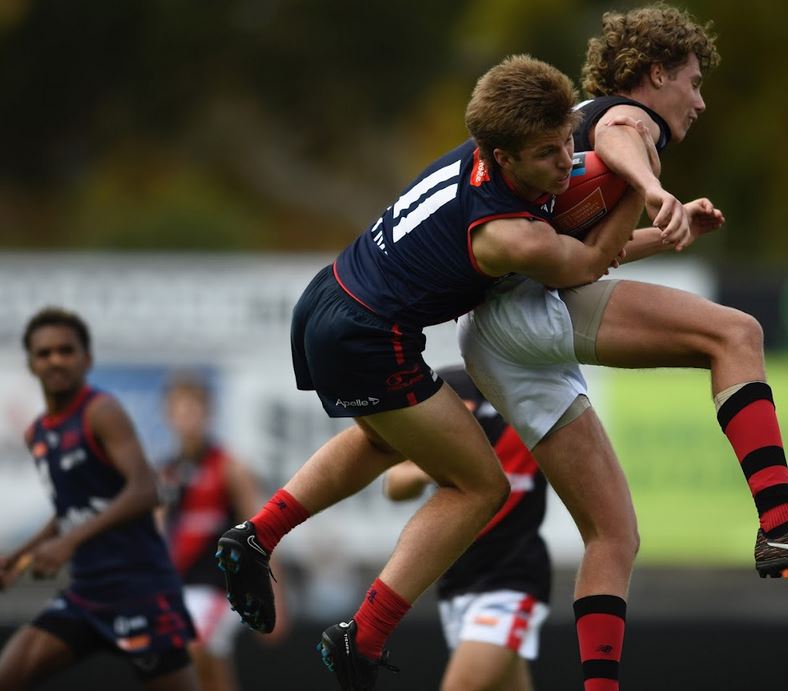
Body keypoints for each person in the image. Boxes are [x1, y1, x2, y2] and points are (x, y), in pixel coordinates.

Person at [456, 5, 788, 689]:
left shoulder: (577, 134)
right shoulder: (625, 118)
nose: (699, 98)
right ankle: (782, 522)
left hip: (492, 330)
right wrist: (654, 185)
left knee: (613, 535)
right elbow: (623, 132)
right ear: (654, 73)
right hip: (522, 312)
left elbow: (588, 255)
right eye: (690, 81)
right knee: (736, 332)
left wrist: (667, 226)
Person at [214, 55, 653, 691]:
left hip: (329, 298)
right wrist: (639, 190)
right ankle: (362, 636)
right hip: (367, 335)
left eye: (566, 143)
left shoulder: (492, 140)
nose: (565, 162)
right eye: (546, 154)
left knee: (382, 438)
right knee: (480, 488)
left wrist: (661, 227)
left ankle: (256, 536)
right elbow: (583, 264)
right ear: (502, 156)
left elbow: (579, 212)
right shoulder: (510, 234)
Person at [0, 307, 200, 691]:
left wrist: (67, 544)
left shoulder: (100, 412)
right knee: (10, 674)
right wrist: (19, 557)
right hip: (87, 594)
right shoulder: (38, 434)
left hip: (140, 589)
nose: (55, 360)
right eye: (44, 353)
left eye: (65, 350)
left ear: (86, 359)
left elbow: (145, 490)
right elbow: (72, 510)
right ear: (30, 364)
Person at [383, 365, 550, 691]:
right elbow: (394, 484)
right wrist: (434, 468)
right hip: (457, 581)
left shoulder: (539, 390)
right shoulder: (452, 387)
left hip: (511, 580)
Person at [158, 372, 288, 691]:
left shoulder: (230, 468)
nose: (188, 418)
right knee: (207, 673)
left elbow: (262, 534)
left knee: (195, 647)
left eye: (195, 409)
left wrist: (276, 600)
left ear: (209, 413)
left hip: (222, 589)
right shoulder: (165, 473)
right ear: (168, 415)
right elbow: (156, 540)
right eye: (180, 410)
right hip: (180, 588)